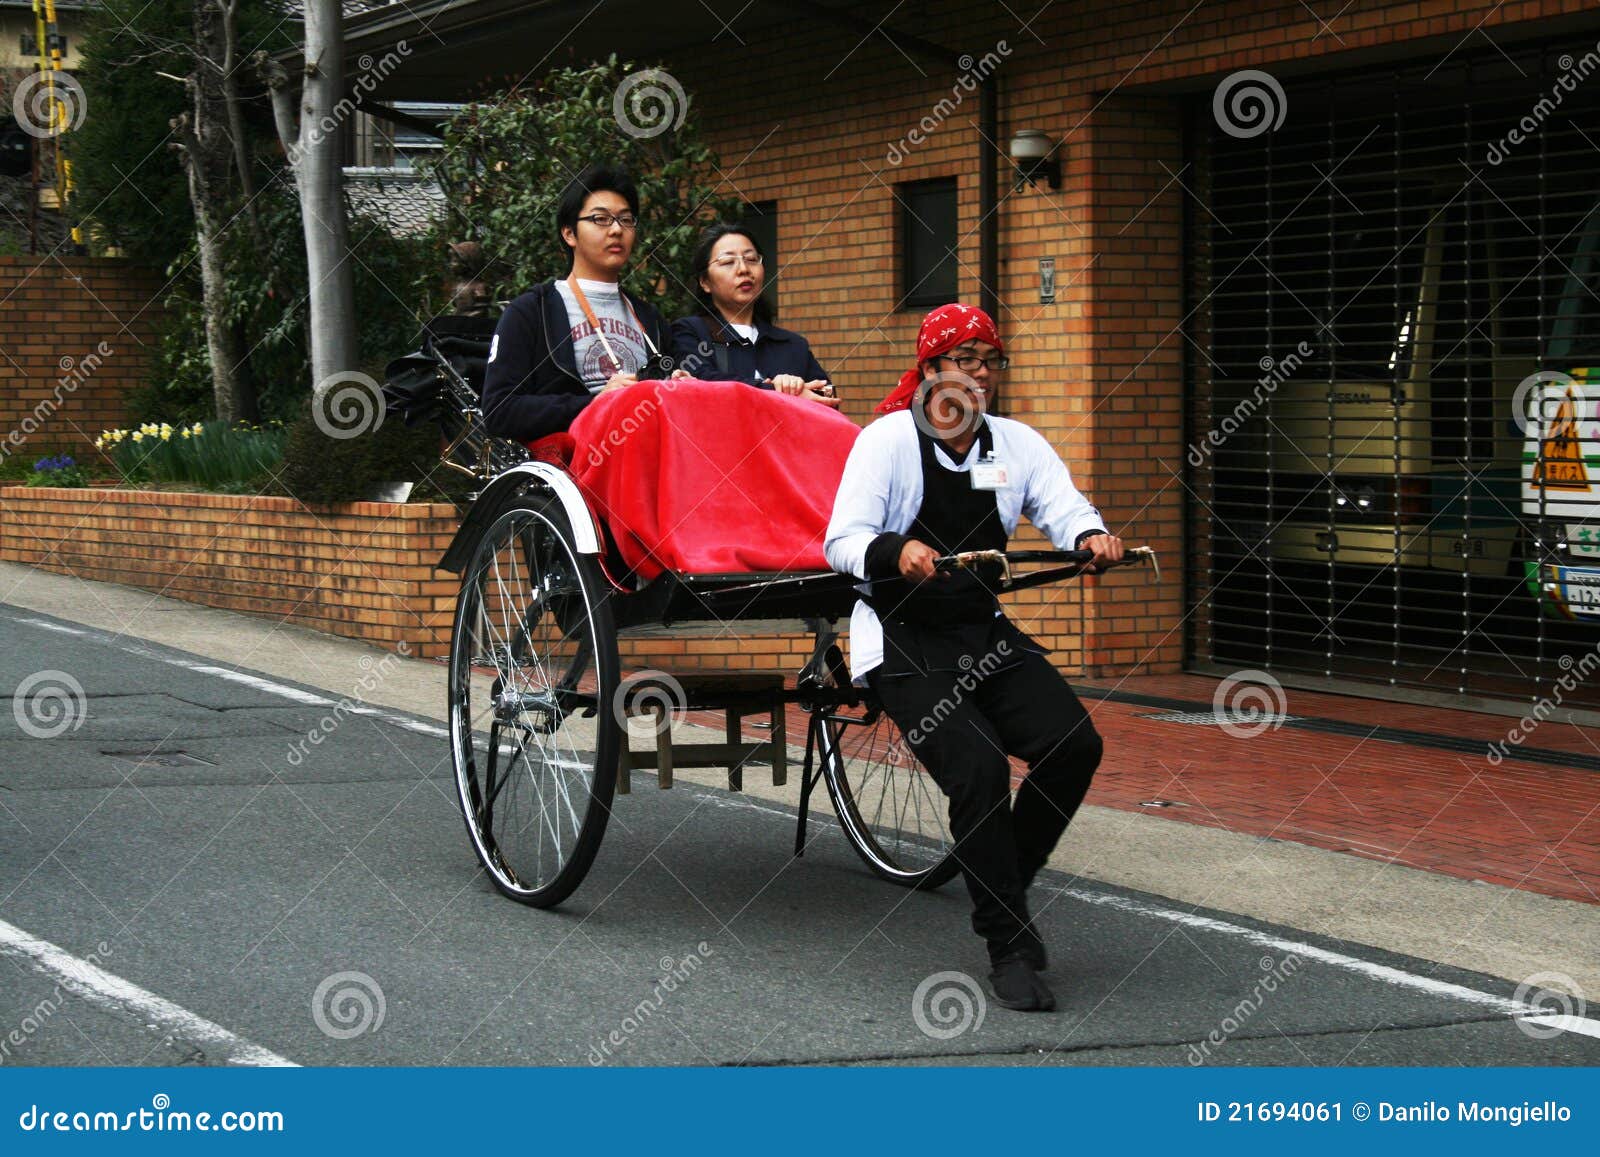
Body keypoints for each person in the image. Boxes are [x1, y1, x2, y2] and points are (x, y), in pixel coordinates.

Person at [824, 303, 1123, 1013]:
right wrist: (899, 550)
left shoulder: (1014, 443)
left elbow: (1064, 506)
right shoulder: (888, 440)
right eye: (966, 358)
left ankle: (1004, 878)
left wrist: (1092, 536)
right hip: (901, 638)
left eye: (992, 360)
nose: (981, 373)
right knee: (980, 767)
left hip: (982, 631)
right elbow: (842, 539)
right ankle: (1008, 941)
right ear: (930, 371)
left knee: (1074, 743)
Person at [480, 163, 676, 443]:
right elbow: (500, 411)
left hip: (652, 449)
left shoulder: (649, 318)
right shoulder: (533, 311)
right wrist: (595, 404)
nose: (617, 230)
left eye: (626, 219)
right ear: (569, 233)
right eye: (601, 219)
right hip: (579, 460)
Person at [669, 223, 837, 407]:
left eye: (751, 259)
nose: (743, 269)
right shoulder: (690, 332)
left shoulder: (793, 345)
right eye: (727, 262)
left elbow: (828, 397)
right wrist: (781, 391)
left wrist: (799, 390)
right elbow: (701, 384)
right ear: (705, 282)